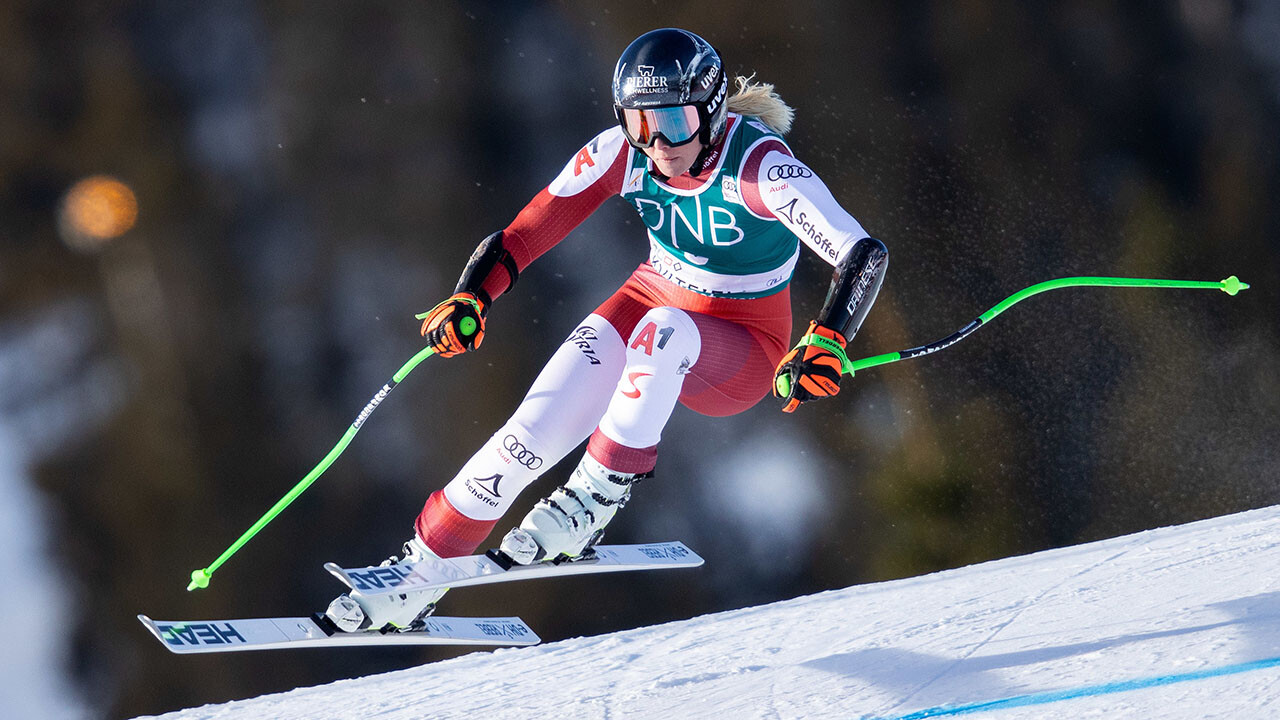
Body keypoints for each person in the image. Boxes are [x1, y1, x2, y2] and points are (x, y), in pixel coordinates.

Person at [325, 28, 888, 632]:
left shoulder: (759, 169)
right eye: (639, 124)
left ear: (713, 110)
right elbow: (527, 230)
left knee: (665, 330)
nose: (656, 144)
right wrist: (472, 296)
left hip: (740, 347)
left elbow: (862, 254)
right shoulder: (624, 153)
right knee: (529, 433)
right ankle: (417, 576)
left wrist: (828, 338)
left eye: (673, 122)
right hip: (651, 300)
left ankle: (594, 497)